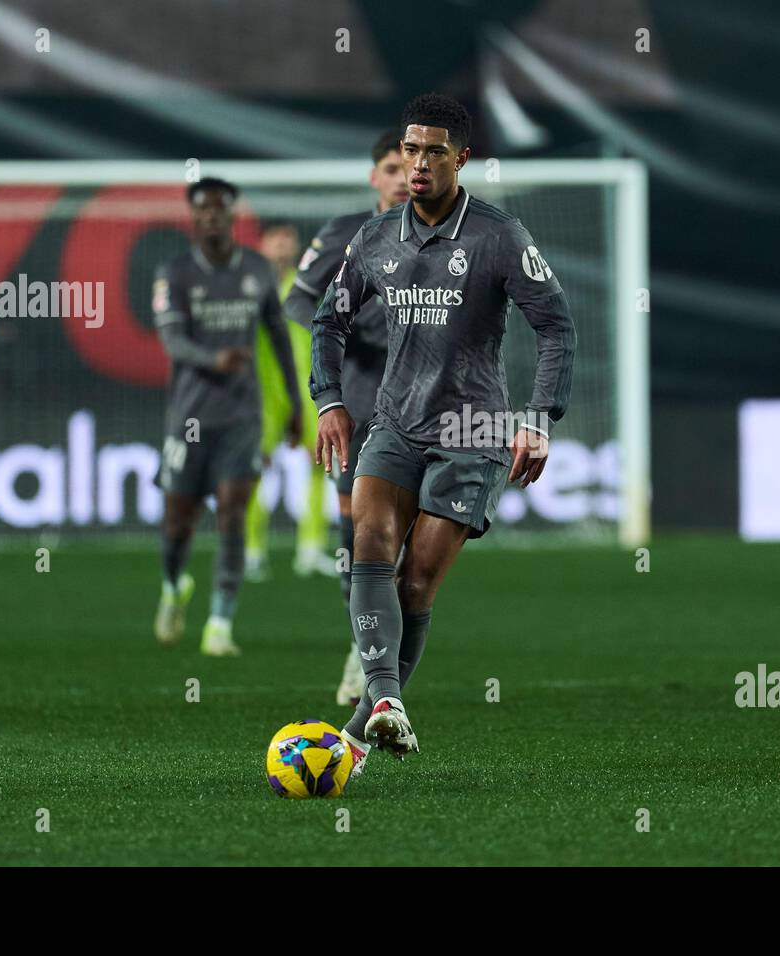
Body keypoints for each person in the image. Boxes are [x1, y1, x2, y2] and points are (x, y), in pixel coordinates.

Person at [309, 94, 577, 778]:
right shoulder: (373, 239)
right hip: (395, 419)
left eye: (431, 151)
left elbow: (556, 326)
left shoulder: (498, 235)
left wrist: (540, 417)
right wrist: (329, 401)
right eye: (408, 150)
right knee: (366, 545)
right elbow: (328, 322)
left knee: (417, 582)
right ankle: (387, 701)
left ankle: (358, 734)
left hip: (474, 425)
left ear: (462, 159)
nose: (415, 164)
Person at [283, 130, 409, 706]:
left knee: (410, 544)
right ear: (373, 177)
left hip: (433, 409)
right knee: (360, 535)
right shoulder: (344, 233)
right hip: (359, 404)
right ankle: (367, 653)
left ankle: (382, 651)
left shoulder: (457, 238)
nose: (405, 176)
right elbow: (298, 299)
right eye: (391, 167)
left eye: (411, 164)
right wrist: (347, 330)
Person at [152, 178, 302, 656]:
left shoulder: (257, 270)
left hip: (242, 416)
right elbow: (172, 340)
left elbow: (279, 338)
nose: (212, 216)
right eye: (203, 209)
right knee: (179, 523)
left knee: (233, 515)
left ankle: (219, 622)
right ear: (192, 217)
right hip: (190, 417)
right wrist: (211, 360)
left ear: (233, 214)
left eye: (221, 208)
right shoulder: (174, 273)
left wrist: (299, 404)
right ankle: (175, 587)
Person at [245, 220, 338, 581]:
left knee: (321, 465)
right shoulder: (250, 287)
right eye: (276, 239)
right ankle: (252, 550)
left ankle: (310, 549)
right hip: (265, 391)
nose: (283, 245)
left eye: (288, 238)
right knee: (254, 468)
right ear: (263, 245)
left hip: (307, 386)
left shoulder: (308, 286)